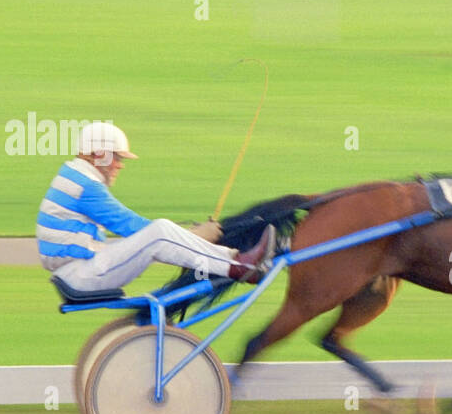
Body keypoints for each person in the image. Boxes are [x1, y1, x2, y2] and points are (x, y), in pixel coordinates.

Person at [36, 122, 274, 292]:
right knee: (159, 233)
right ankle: (239, 266)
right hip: (80, 275)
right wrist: (195, 235)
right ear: (99, 154)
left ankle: (236, 262)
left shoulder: (74, 176)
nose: (120, 165)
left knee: (159, 231)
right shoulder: (85, 185)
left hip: (75, 271)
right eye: (117, 158)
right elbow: (131, 226)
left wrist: (186, 236)